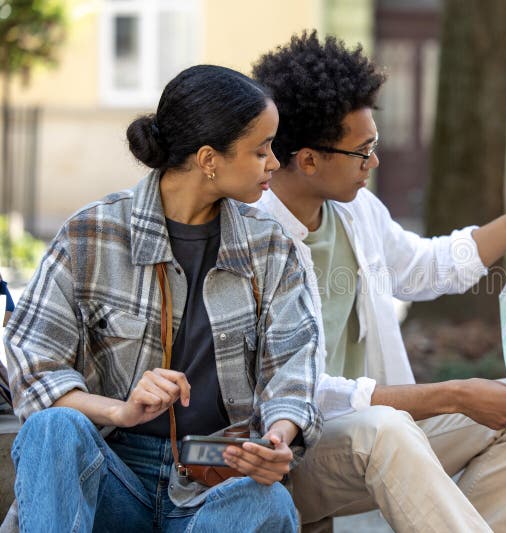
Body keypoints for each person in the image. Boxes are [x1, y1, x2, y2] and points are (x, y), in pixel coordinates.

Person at [250, 31, 506, 533]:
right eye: (362, 152)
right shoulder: (250, 236)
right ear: (308, 160)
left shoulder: (355, 211)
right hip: (286, 459)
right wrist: (452, 395)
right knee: (384, 427)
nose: (375, 162)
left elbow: (429, 266)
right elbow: (299, 394)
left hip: (372, 435)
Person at [2, 65, 322, 532]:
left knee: (266, 502)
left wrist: (276, 440)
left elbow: (296, 364)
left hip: (213, 481)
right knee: (52, 429)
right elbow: (33, 367)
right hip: (112, 471)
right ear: (209, 158)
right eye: (260, 150)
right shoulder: (92, 234)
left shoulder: (269, 246)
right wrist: (119, 410)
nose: (274, 162)